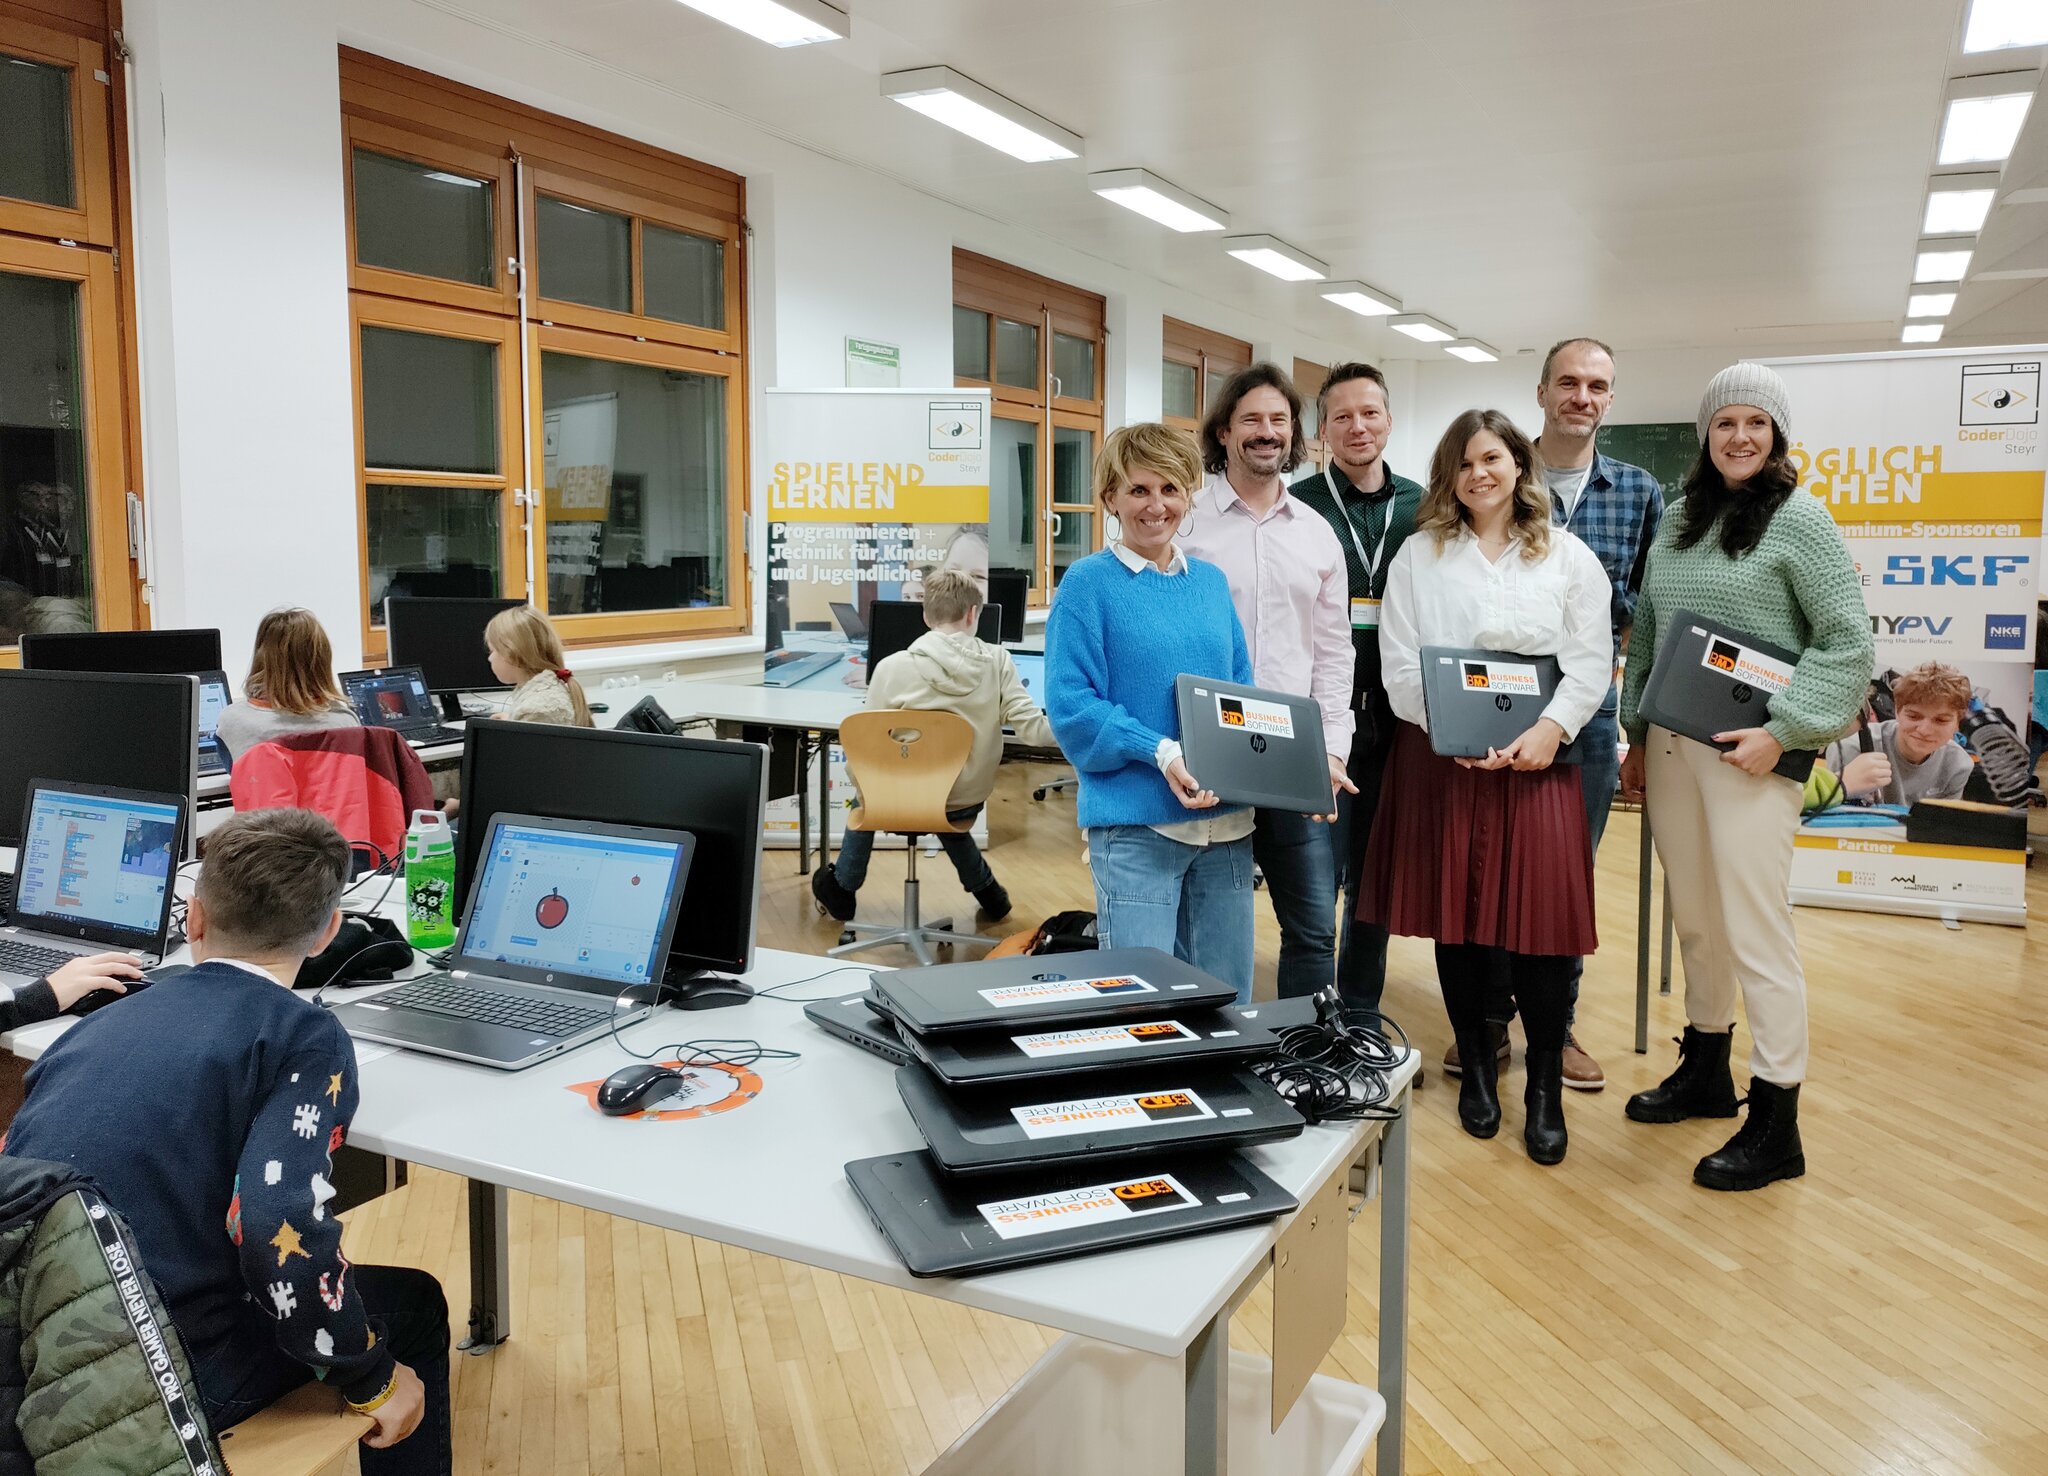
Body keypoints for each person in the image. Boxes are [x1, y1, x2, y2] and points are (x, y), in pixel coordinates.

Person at [4, 808, 452, 1471]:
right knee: (412, 1304)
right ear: (330, 930)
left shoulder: (96, 1022)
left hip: (25, 1346)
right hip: (146, 1369)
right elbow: (275, 1226)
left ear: (194, 918)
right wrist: (370, 1375)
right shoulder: (302, 1036)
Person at [1620, 362, 1874, 1192]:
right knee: (1696, 917)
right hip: (1671, 744)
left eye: (1756, 425)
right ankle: (1707, 1068)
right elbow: (1652, 629)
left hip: (1751, 754)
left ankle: (1777, 1117)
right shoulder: (1682, 518)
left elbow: (1847, 645)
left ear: (1777, 438)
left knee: (1757, 930)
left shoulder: (1800, 522)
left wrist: (1786, 732)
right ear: (1706, 434)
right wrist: (1635, 730)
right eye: (1725, 423)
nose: (1739, 438)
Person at [1361, 410, 1611, 1164]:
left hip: (1538, 767)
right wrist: (1455, 738)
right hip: (1446, 765)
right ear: (1448, 476)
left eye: (1493, 458)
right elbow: (1400, 668)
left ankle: (1542, 1086)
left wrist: (1550, 732)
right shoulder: (1418, 557)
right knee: (1460, 924)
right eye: (1464, 463)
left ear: (1518, 466)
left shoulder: (1568, 558)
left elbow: (1591, 661)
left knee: (1540, 935)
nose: (1480, 474)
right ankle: (1476, 1068)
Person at [1446, 338, 1663, 1093]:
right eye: (1568, 381)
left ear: (1609, 397)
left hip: (1584, 715)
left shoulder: (1638, 490)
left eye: (1597, 384)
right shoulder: (1498, 466)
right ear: (1541, 391)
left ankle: (1556, 1028)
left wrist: (1597, 687)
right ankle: (1490, 1027)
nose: (1582, 395)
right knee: (1484, 874)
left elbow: (1648, 605)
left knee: (1558, 880)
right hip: (1481, 715)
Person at [1045, 422, 1256, 998]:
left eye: (1170, 488)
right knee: (1140, 1005)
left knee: (1227, 998)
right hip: (1139, 829)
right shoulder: (1087, 586)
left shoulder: (1210, 583)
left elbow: (1240, 690)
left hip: (1226, 826)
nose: (1156, 505)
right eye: (1138, 490)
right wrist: (1161, 751)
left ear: (1189, 495)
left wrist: (1274, 766)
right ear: (1110, 498)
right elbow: (1071, 706)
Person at [1183, 364, 1355, 999]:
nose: (1266, 432)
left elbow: (1335, 657)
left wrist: (1333, 751)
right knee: (1201, 929)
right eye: (1251, 420)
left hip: (1292, 756)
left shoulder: (1316, 534)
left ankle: (1304, 1065)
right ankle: (1210, 1062)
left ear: (1293, 435)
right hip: (1206, 753)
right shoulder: (1187, 524)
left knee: (1313, 927)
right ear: (1224, 432)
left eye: (1278, 421)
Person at [811, 569, 1053, 925]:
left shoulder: (890, 668)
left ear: (925, 616)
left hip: (897, 798)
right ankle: (990, 893)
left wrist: (870, 786)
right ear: (974, 614)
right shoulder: (999, 662)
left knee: (874, 792)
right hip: (962, 798)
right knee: (941, 801)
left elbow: (867, 750)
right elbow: (1032, 730)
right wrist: (1083, 729)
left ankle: (843, 889)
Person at [1291, 363, 1423, 1013]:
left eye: (1369, 413)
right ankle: (1315, 1012)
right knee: (1317, 875)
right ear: (1323, 431)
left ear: (1389, 421)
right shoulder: (1297, 507)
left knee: (1374, 879)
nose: (1358, 427)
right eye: (1342, 416)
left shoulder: (1426, 509)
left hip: (1398, 724)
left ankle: (1362, 1009)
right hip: (1321, 722)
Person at [1821, 661, 1974, 805]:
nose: (1925, 730)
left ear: (1958, 722)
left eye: (1941, 720)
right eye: (1913, 716)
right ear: (1897, 711)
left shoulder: (1959, 764)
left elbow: (1942, 827)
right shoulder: (1853, 748)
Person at [215, 607, 359, 760]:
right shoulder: (346, 721)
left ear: (261, 658)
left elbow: (237, 774)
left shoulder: (233, 720)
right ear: (322, 661)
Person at [485, 604, 594, 726]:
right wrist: (511, 720)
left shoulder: (536, 711)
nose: (489, 658)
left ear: (512, 654)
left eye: (492, 651)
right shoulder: (541, 695)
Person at [0, 479, 85, 600]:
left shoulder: (49, 529)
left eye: (46, 498)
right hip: (21, 599)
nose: (43, 504)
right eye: (36, 497)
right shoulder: (8, 528)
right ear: (23, 498)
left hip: (53, 599)